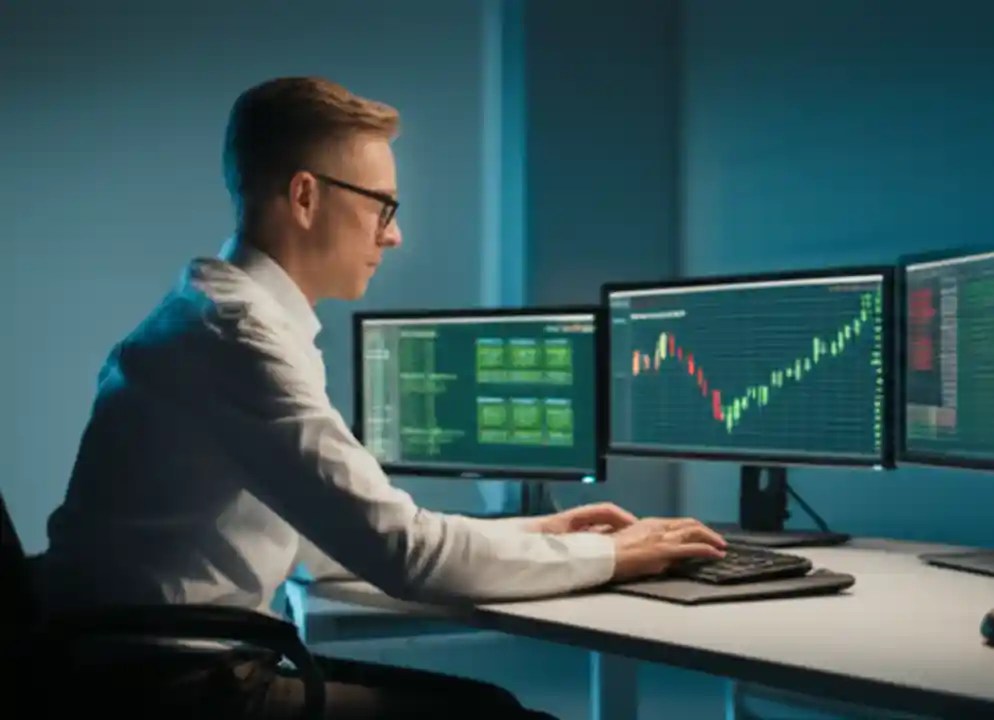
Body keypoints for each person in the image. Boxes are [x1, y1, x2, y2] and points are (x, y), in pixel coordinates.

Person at [35, 76, 727, 718]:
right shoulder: (240, 338)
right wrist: (614, 556)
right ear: (305, 197)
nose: (393, 235)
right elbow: (404, 554)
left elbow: (335, 541)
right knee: (494, 714)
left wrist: (538, 532)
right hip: (173, 689)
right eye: (382, 207)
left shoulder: (217, 318)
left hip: (134, 664)